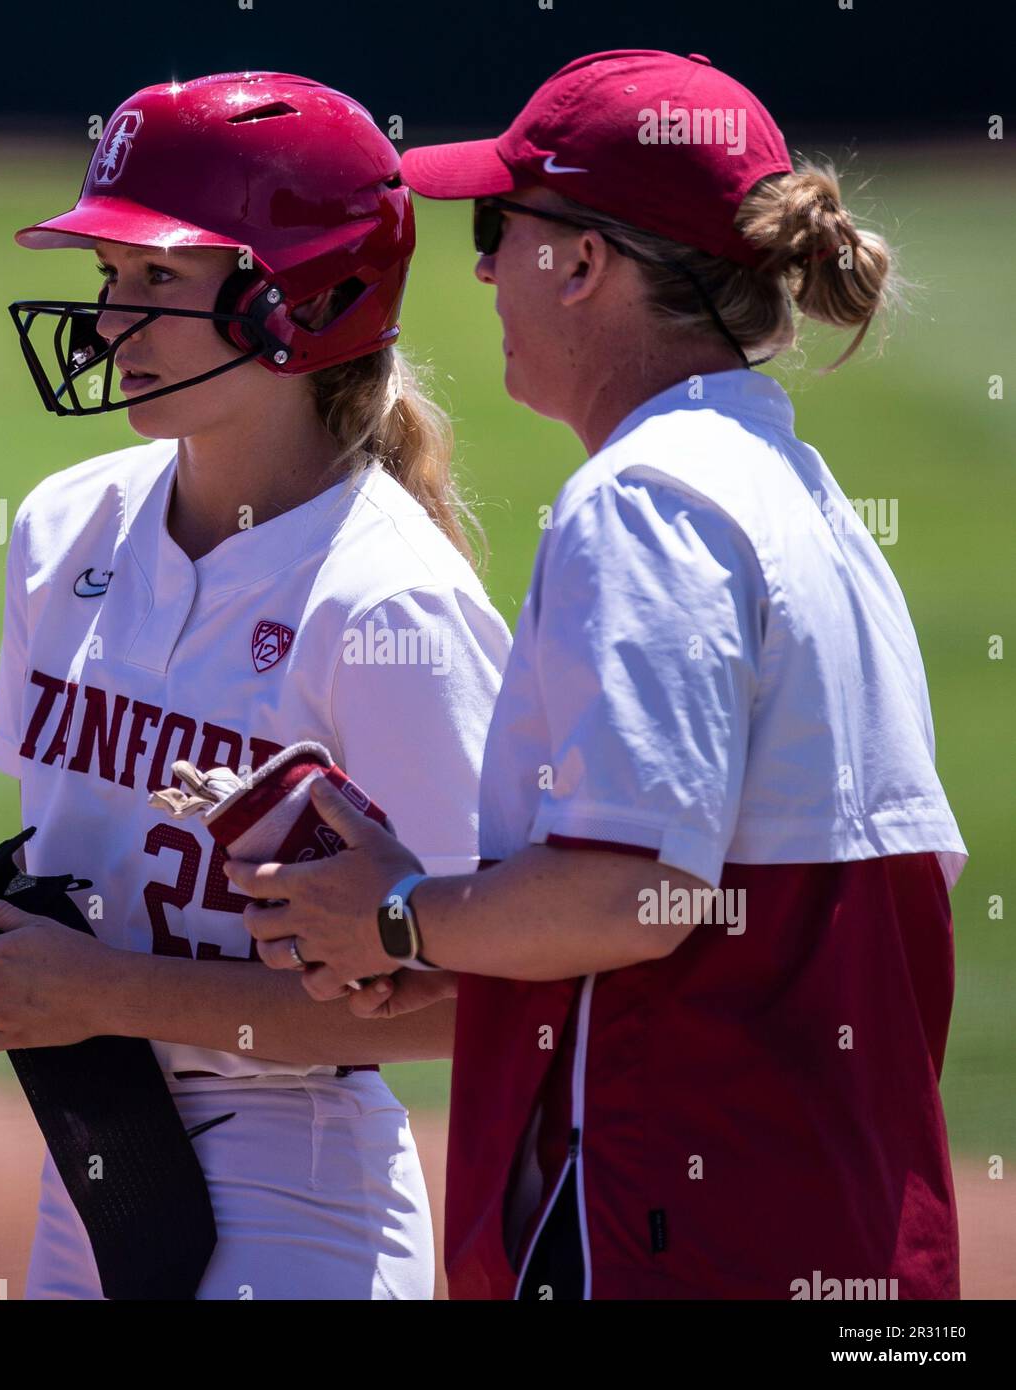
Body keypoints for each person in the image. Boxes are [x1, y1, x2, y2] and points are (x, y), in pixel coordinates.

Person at [224, 51, 968, 1300]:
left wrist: (397, 912)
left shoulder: (643, 502)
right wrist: (465, 940)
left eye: (497, 229)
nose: (481, 269)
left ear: (580, 262)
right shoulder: (800, 498)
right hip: (835, 1226)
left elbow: (637, 893)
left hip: (670, 1224)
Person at [0, 71, 511, 1299]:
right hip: (95, 1151)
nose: (110, 322)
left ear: (306, 302)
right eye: (111, 275)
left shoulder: (387, 602)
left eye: (158, 279)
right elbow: (84, 862)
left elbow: (487, 1001)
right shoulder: (64, 527)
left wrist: (115, 994)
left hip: (295, 1188)